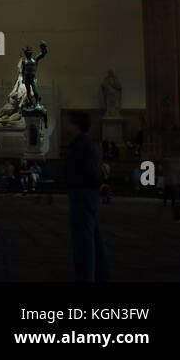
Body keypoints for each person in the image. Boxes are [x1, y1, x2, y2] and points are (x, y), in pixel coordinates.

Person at [65, 111, 109, 282]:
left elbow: (90, 169)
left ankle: (87, 277)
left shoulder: (81, 144)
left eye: (68, 123)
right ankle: (99, 276)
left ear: (76, 125)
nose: (65, 126)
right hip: (87, 193)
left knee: (84, 242)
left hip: (83, 194)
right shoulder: (85, 143)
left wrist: (98, 184)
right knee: (93, 239)